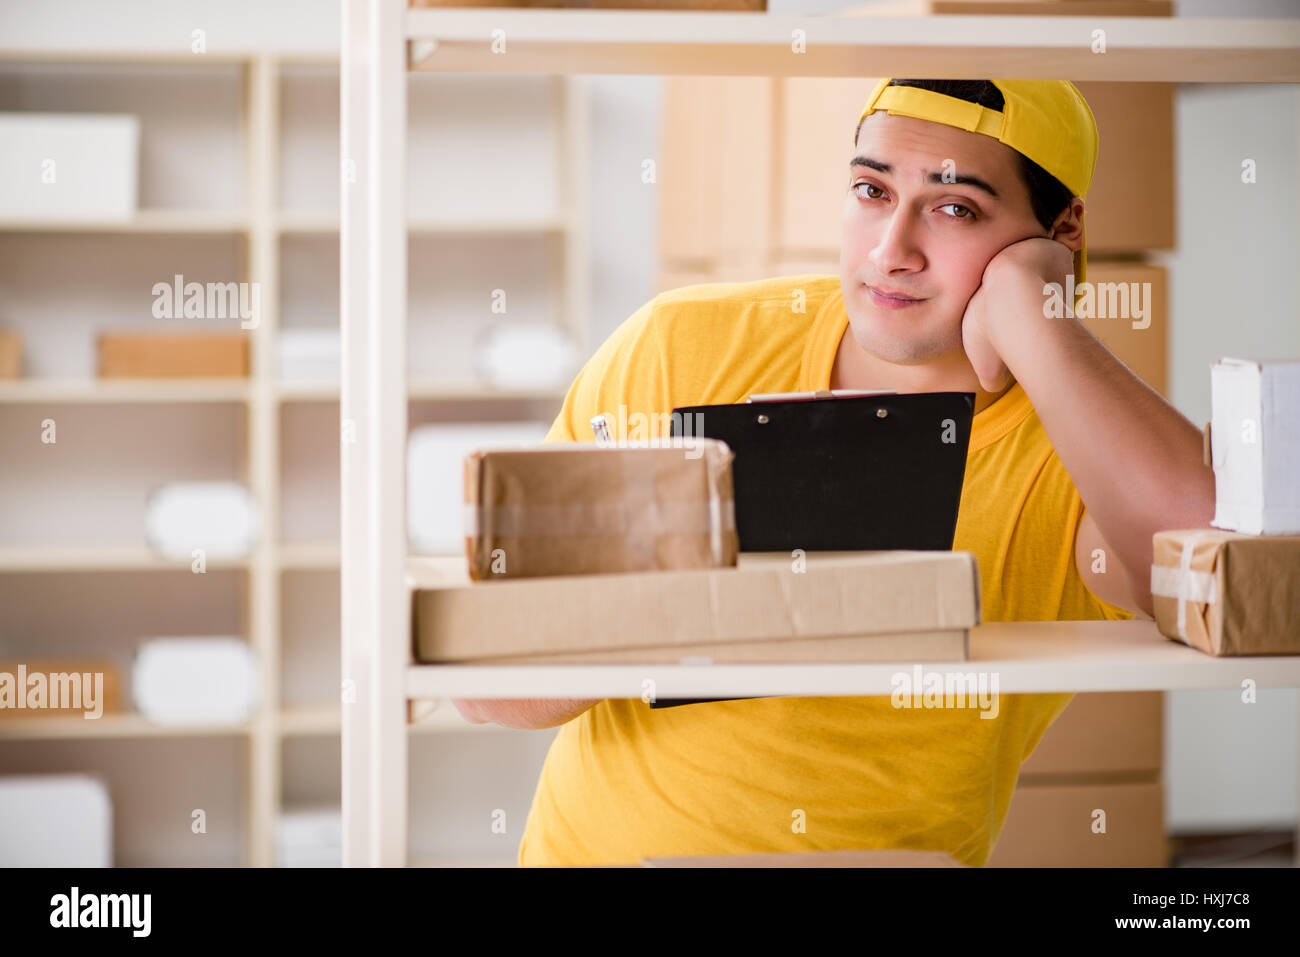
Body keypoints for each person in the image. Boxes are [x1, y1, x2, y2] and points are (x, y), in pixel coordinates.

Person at [452, 78, 1215, 867]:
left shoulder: (1075, 449)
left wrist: (1036, 318)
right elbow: (481, 682)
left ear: (1062, 231)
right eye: (871, 191)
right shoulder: (679, 349)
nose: (893, 250)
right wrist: (704, 605)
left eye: (956, 208)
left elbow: (1234, 583)